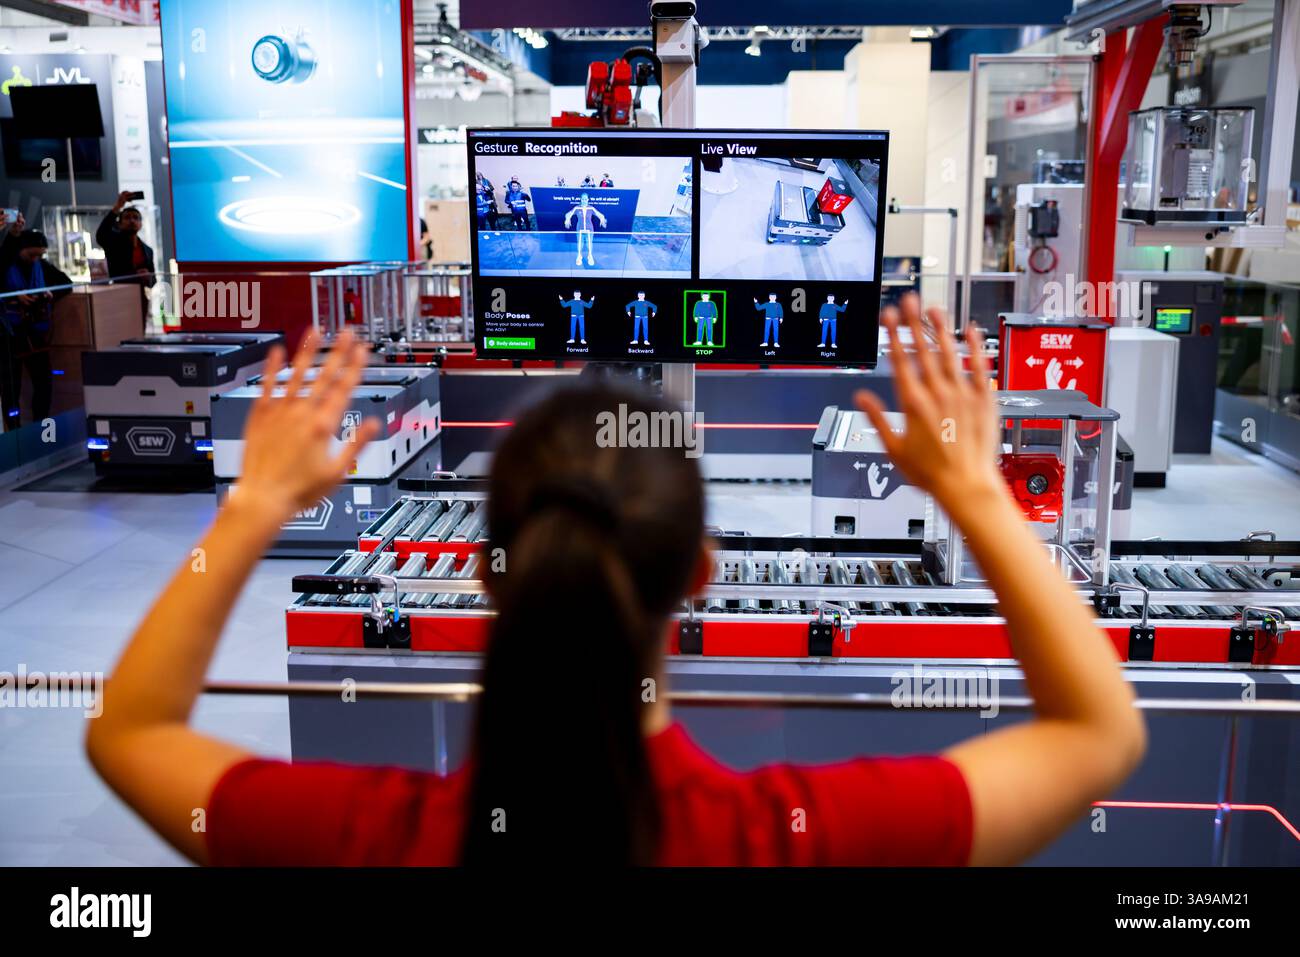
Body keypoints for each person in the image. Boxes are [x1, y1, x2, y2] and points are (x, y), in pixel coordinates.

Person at [85, 300, 1146, 867]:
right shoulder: (797, 836)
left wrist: (251, 505)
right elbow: (1098, 734)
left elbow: (127, 731)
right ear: (700, 574)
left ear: (489, 570)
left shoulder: (370, 839)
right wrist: (979, 495)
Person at [1, 230, 71, 429]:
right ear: (19, 249)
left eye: (39, 255)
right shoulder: (5, 265)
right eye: (31, 255)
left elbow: (67, 284)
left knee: (44, 384)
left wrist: (49, 294)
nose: (35, 260)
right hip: (10, 335)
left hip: (36, 333)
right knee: (11, 387)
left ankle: (41, 429)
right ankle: (14, 432)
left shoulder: (41, 266)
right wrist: (12, 296)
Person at [96, 191, 155, 287]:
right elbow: (101, 234)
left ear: (141, 224)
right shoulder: (113, 243)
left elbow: (153, 281)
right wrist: (118, 206)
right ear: (119, 224)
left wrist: (149, 277)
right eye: (127, 217)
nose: (132, 220)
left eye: (136, 218)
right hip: (119, 294)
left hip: (141, 297)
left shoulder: (148, 250)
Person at [564, 193, 606, 267]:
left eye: (585, 199)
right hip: (579, 230)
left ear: (588, 200)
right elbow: (568, 214)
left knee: (589, 244)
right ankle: (579, 256)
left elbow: (600, 214)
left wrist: (602, 219)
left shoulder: (591, 208)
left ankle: (590, 256)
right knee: (580, 244)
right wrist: (567, 219)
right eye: (583, 199)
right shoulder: (577, 208)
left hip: (589, 230)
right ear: (581, 199)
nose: (584, 200)